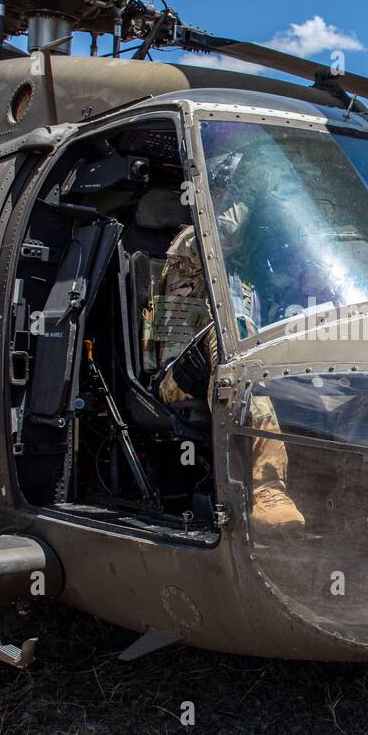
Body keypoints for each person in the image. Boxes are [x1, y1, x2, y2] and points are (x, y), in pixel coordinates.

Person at [145, 221, 306, 532]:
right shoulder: (194, 246)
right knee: (232, 333)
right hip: (176, 379)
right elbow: (225, 226)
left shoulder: (250, 279)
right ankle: (267, 488)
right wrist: (255, 185)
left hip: (233, 373)